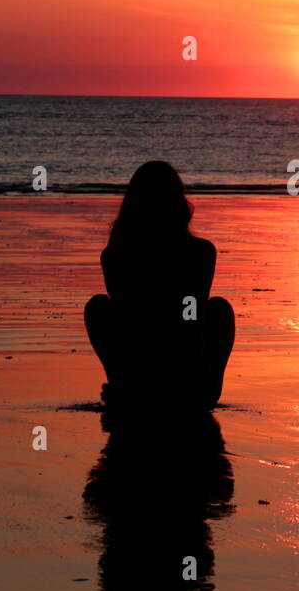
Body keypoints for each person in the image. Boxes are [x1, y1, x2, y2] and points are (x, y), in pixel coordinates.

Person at [84, 161, 234, 414]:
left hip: (145, 373)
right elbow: (190, 316)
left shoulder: (115, 255)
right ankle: (139, 386)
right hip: (190, 379)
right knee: (217, 308)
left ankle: (126, 385)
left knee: (100, 307)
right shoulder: (200, 252)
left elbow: (131, 316)